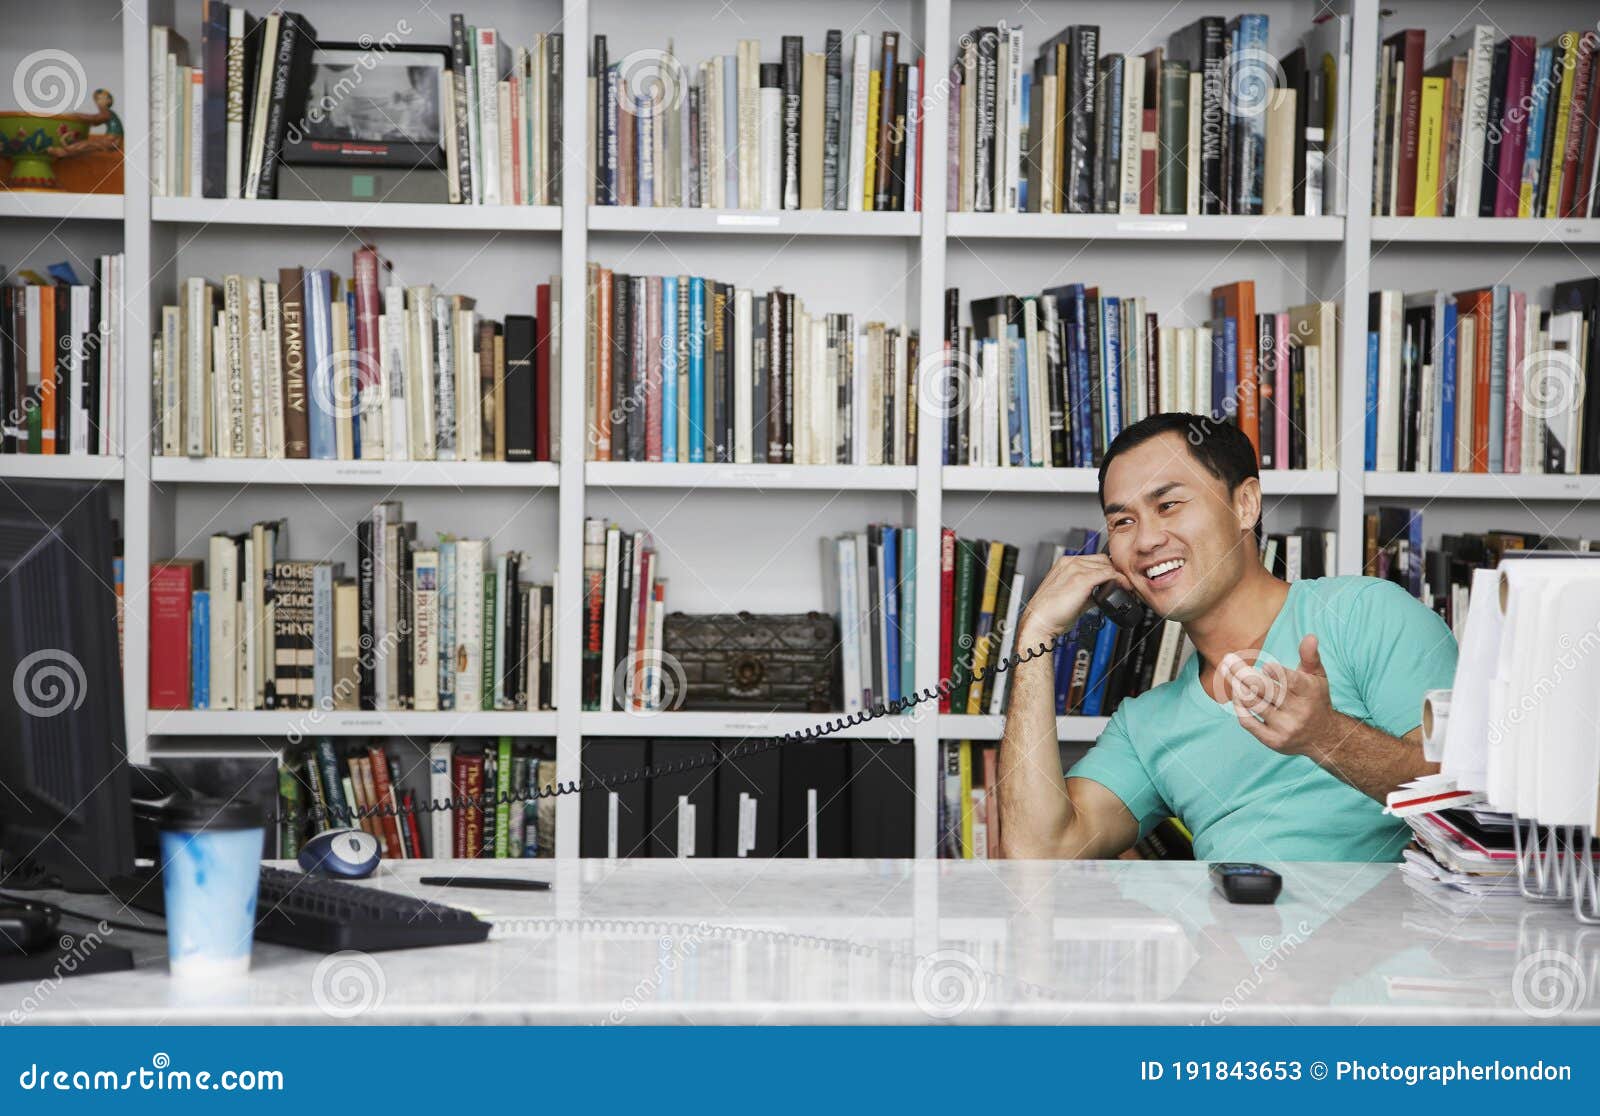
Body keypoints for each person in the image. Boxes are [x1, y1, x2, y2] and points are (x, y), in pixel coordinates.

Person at [997, 412, 1458, 862]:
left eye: (1168, 505)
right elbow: (1036, 851)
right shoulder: (1145, 726)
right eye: (1122, 522)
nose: (1145, 540)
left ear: (1246, 505)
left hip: (1388, 935)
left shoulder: (1364, 613)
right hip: (1236, 933)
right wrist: (1033, 636)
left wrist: (1325, 735)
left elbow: (1463, 802)